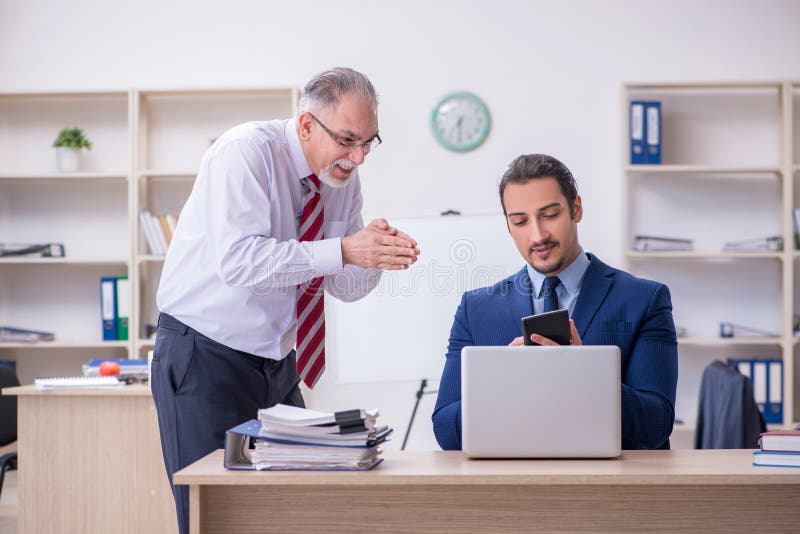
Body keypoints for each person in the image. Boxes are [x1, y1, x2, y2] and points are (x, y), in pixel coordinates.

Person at [151, 67, 419, 534]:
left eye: (369, 143)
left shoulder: (342, 179)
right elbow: (240, 262)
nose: (358, 158)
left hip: (278, 364)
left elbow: (341, 285)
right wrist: (344, 249)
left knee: (290, 510)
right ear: (306, 125)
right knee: (213, 513)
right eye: (348, 140)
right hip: (204, 355)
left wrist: (374, 255)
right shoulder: (245, 153)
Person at [432, 153, 677, 451]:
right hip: (511, 490)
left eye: (550, 215)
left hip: (608, 491)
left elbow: (656, 426)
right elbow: (446, 432)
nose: (538, 235)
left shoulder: (644, 299)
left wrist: (582, 373)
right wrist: (501, 386)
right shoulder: (476, 309)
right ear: (509, 226)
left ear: (576, 208)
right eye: (520, 221)